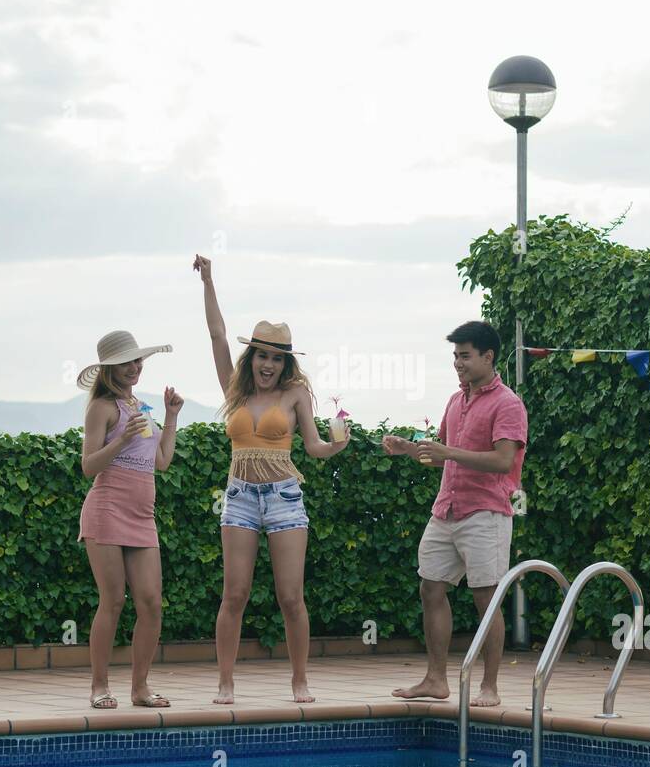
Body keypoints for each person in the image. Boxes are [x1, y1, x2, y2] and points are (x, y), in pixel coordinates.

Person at [193, 254, 349, 704]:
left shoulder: (296, 394)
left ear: (284, 364)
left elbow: (316, 446)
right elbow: (217, 335)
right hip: (239, 496)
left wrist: (337, 444)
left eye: (276, 359)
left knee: (290, 597)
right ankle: (225, 681)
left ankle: (299, 679)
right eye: (262, 355)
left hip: (284, 496)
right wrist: (209, 281)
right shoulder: (234, 389)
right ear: (252, 357)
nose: (268, 364)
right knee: (234, 594)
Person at [383, 321, 527, 707]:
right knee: (430, 587)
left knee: (486, 598)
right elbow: (439, 454)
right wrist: (407, 449)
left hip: (487, 513)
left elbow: (502, 460)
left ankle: (490, 686)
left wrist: (447, 452)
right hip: (446, 510)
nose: (458, 363)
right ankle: (435, 680)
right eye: (455, 356)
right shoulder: (455, 400)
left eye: (464, 356)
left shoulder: (508, 404)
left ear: (487, 356)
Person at [76, 330, 183, 710]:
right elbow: (88, 466)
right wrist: (120, 441)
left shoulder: (141, 405)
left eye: (138, 361)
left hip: (142, 515)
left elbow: (162, 461)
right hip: (106, 510)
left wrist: (170, 417)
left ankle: (140, 688)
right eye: (127, 362)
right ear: (110, 368)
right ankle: (99, 686)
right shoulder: (102, 407)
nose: (135, 367)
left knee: (151, 603)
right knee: (113, 601)